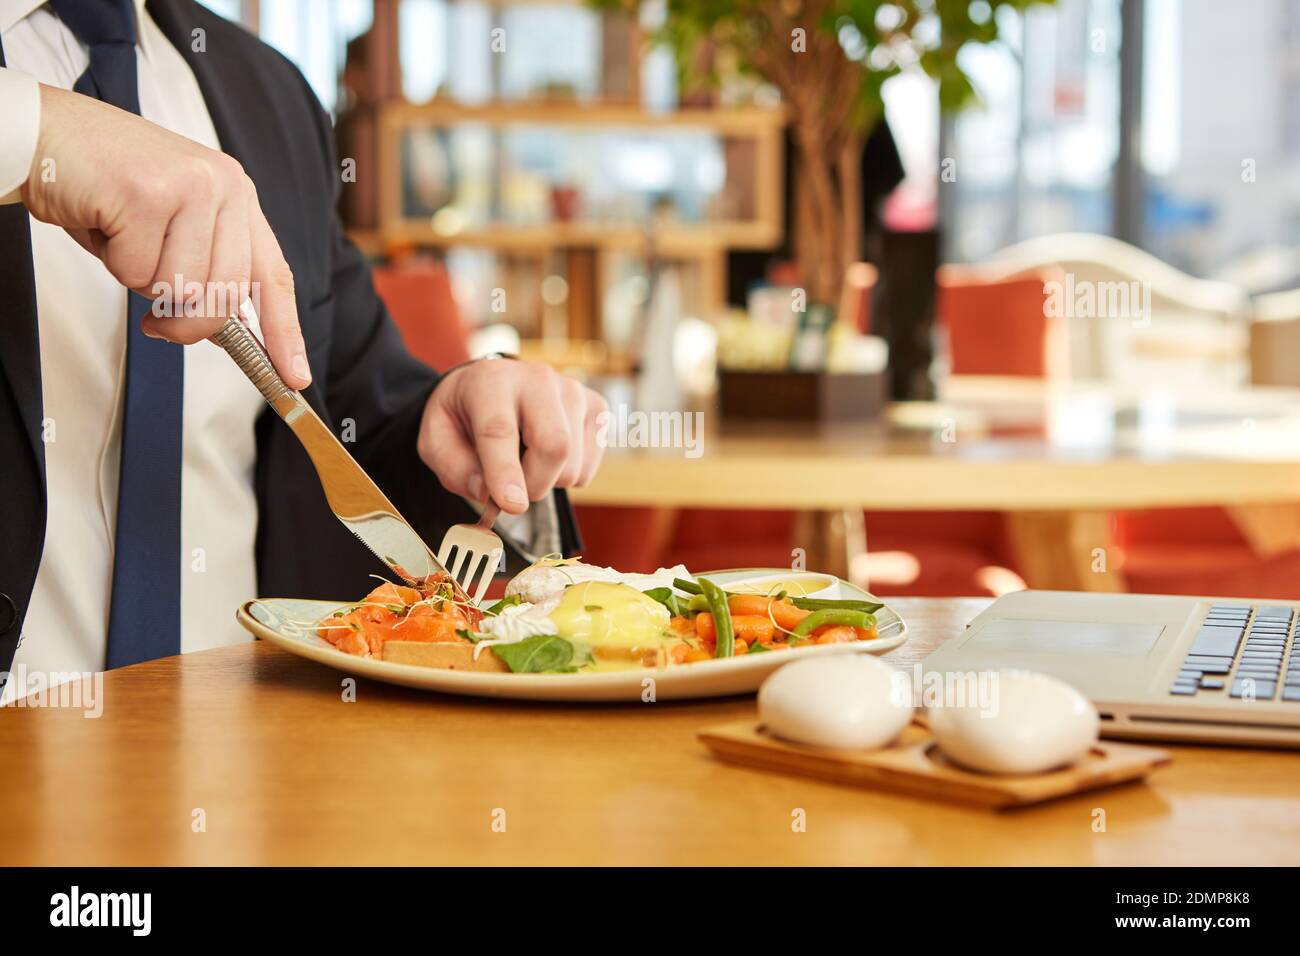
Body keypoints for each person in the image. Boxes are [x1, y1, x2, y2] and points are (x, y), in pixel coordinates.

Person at [0, 0, 607, 696]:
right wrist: (32, 132)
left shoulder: (269, 93)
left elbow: (351, 418)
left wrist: (474, 415)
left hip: (256, 760)